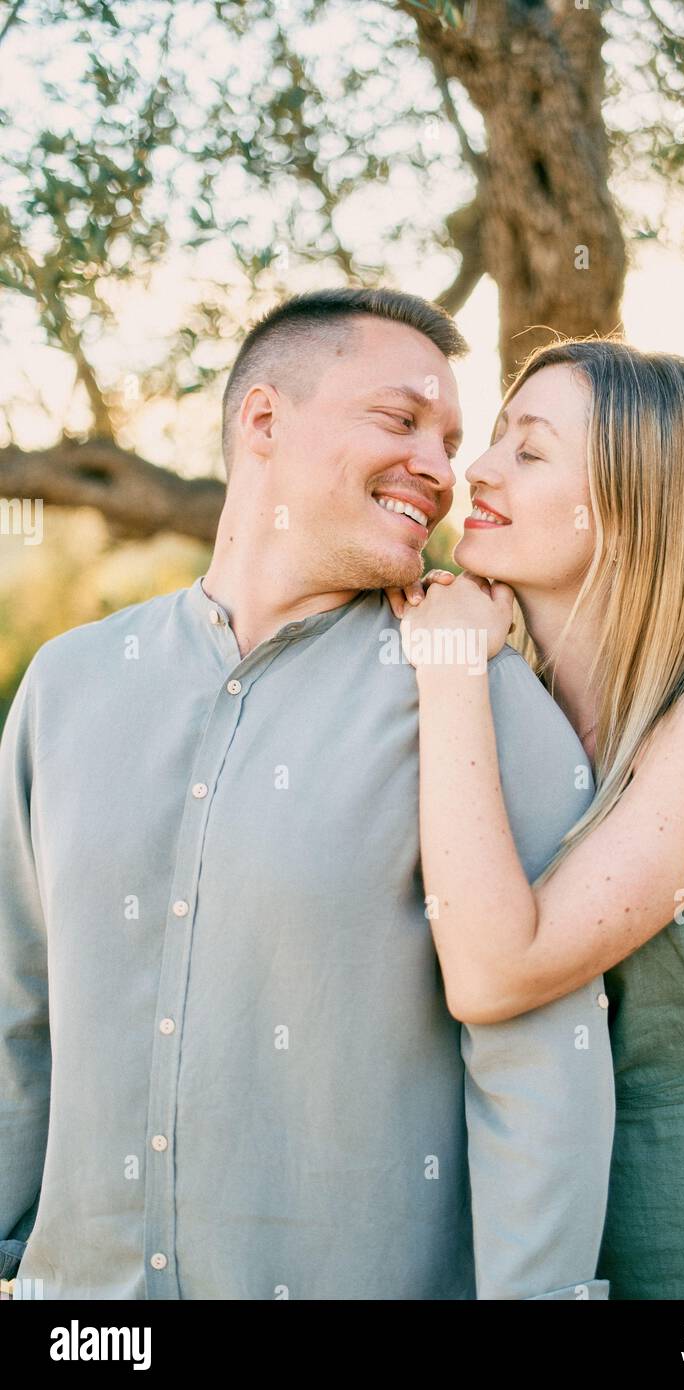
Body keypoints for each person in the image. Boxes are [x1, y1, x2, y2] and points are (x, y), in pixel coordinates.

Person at [0, 289, 614, 1301]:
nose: (441, 466)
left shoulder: (480, 698)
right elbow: (16, 1002)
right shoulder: (66, 684)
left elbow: (537, 1067)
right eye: (400, 418)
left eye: (451, 439)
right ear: (264, 421)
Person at [387, 336, 684, 1300]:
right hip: (525, 1232)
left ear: (635, 499)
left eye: (529, 450)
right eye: (494, 439)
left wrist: (446, 673)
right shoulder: (508, 701)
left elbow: (496, 973)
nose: (475, 467)